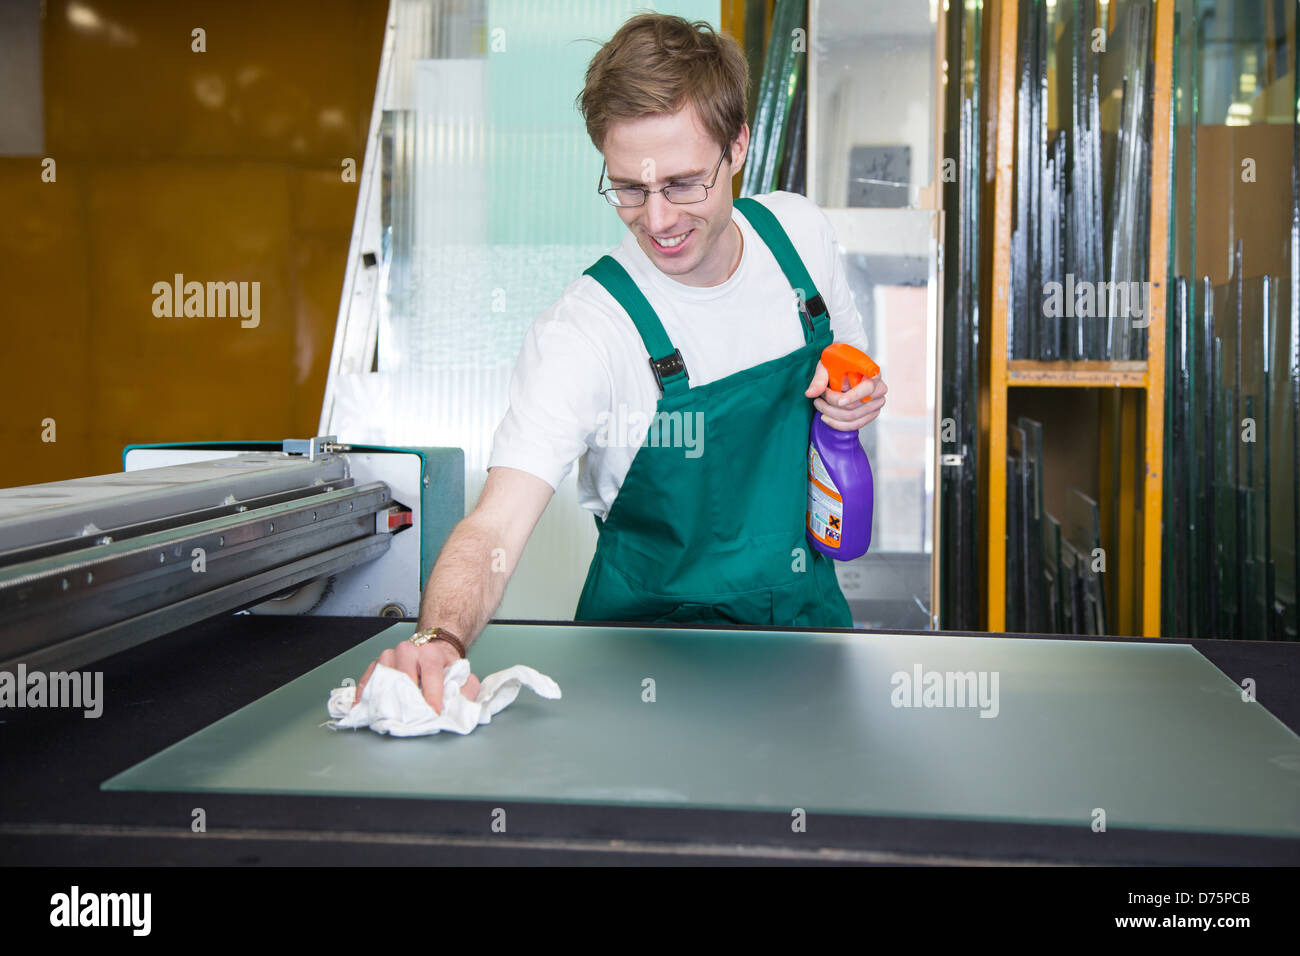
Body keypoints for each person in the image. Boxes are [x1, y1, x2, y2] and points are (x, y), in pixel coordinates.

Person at [355, 12, 887, 712]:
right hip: (643, 678)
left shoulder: (800, 238)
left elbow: (853, 372)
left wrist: (858, 398)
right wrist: (440, 641)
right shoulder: (587, 331)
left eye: (683, 183)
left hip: (806, 640)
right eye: (629, 189)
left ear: (738, 147)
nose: (658, 220)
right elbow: (495, 525)